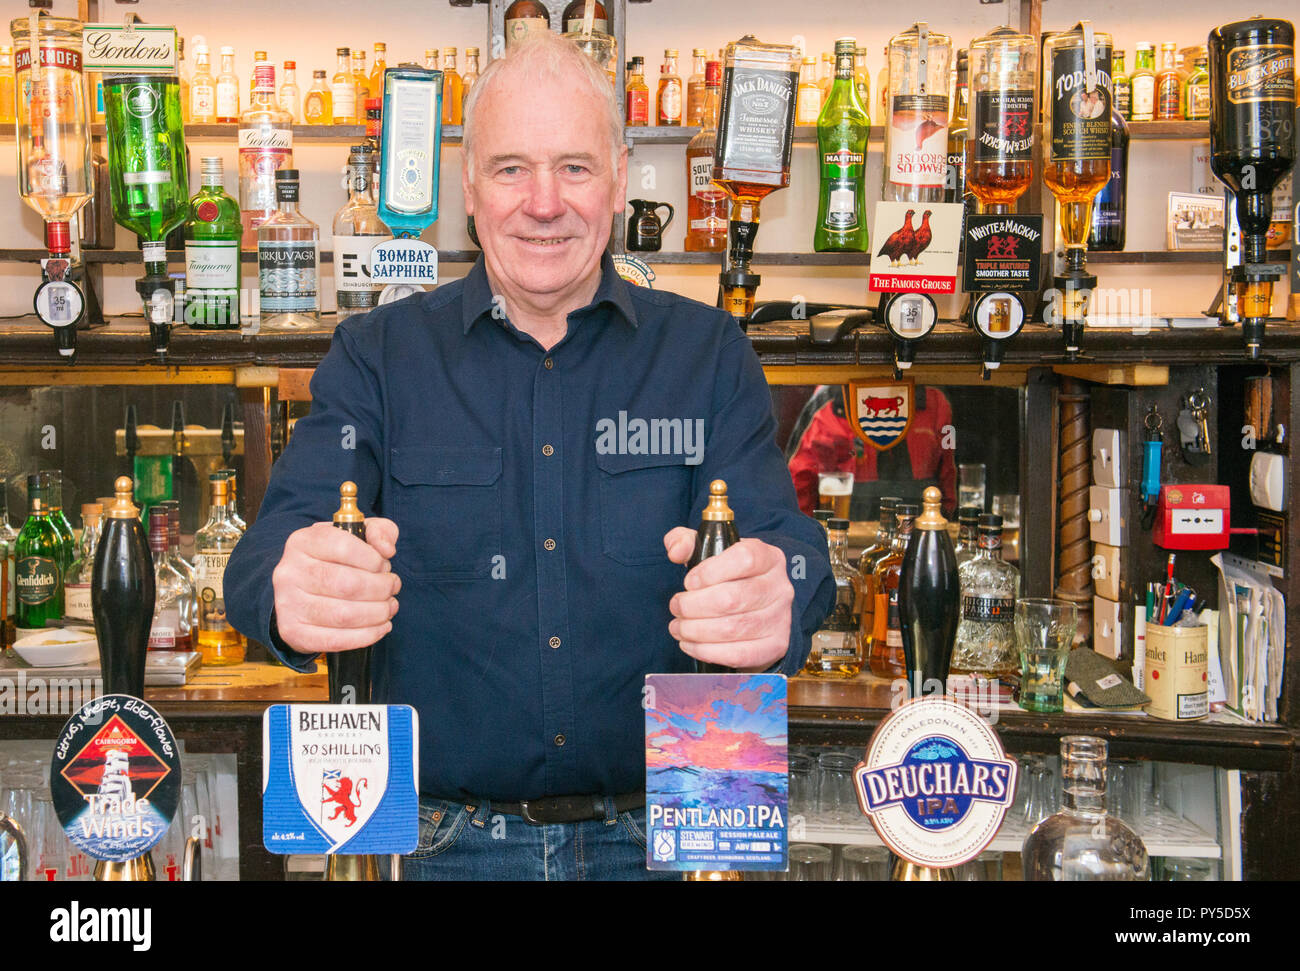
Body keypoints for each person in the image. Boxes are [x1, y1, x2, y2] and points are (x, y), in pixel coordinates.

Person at [224, 33, 833, 882]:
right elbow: (259, 562)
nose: (544, 203)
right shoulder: (377, 356)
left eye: (575, 168)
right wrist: (290, 588)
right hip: (431, 843)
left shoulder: (707, 352)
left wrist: (782, 596)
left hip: (669, 833)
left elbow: (794, 552)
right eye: (512, 169)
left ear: (619, 178)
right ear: (468, 186)